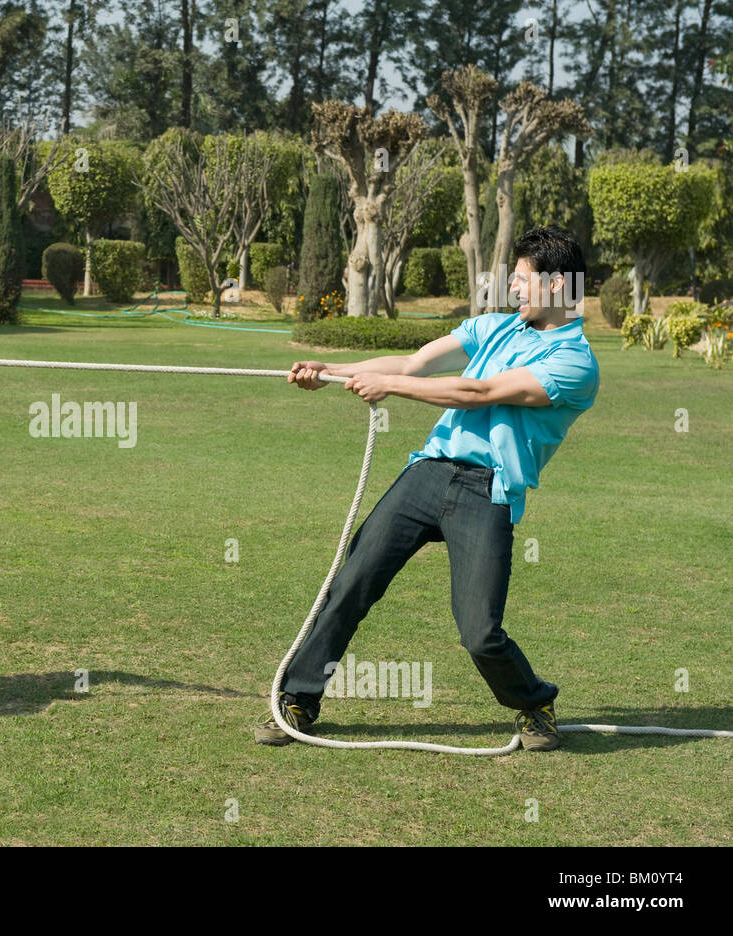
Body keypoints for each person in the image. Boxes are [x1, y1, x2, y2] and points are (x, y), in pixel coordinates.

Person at [256, 226, 599, 751]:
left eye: (524, 281)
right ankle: (300, 698)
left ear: (557, 286)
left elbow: (476, 392)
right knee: (353, 581)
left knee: (479, 632)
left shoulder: (575, 362)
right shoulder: (495, 327)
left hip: (488, 491)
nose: (515, 291)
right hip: (428, 473)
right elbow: (413, 363)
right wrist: (329, 369)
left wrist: (392, 388)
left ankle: (533, 702)